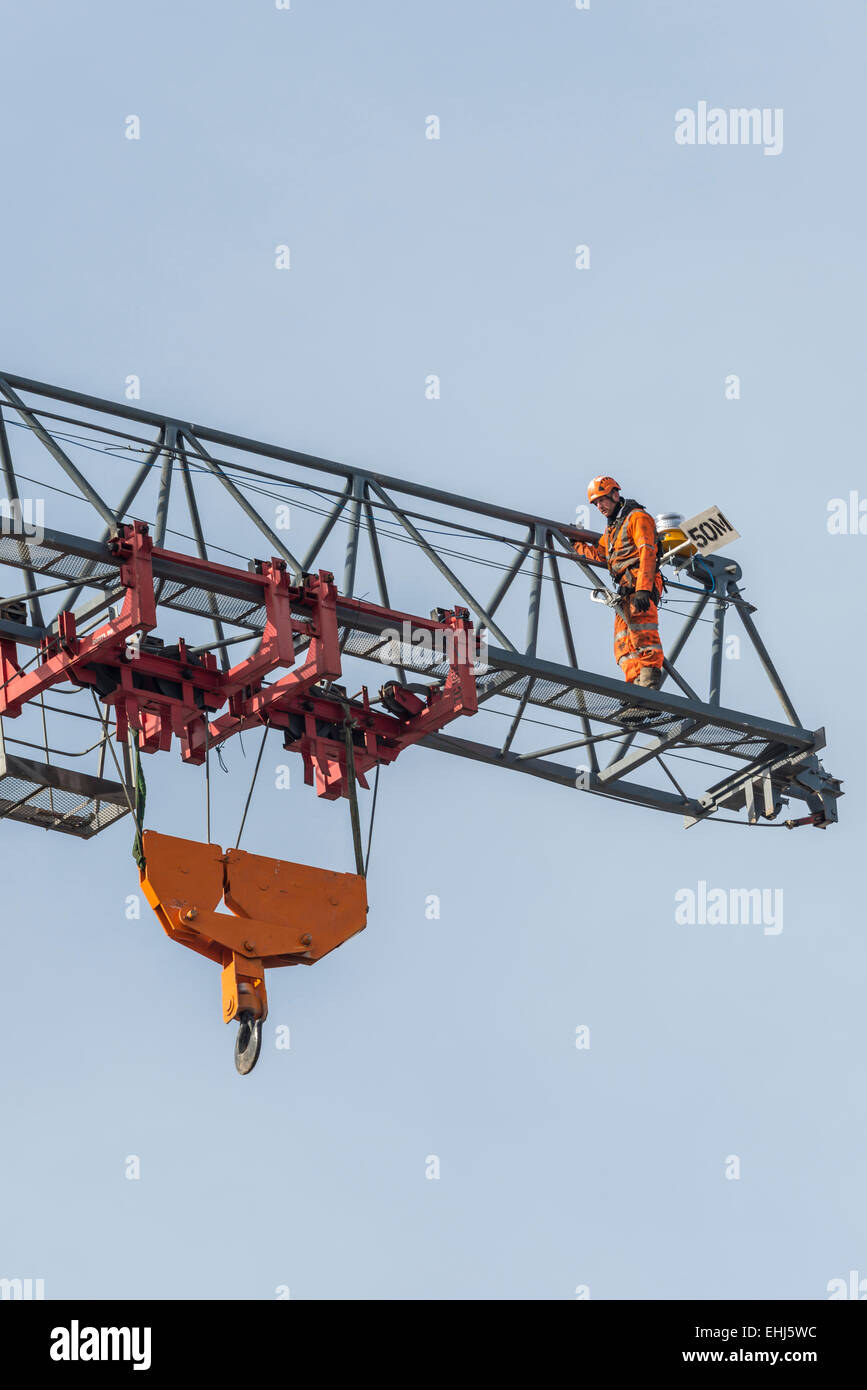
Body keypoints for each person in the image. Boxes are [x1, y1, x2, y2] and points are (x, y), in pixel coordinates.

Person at [573, 476, 665, 695]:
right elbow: (602, 555)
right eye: (595, 503)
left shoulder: (638, 518)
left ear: (615, 494)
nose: (599, 507)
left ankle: (649, 686)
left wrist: (643, 588)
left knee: (644, 634)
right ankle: (634, 689)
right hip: (625, 590)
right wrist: (576, 545)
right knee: (623, 643)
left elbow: (647, 551)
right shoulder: (613, 529)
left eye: (602, 500)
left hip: (641, 585)